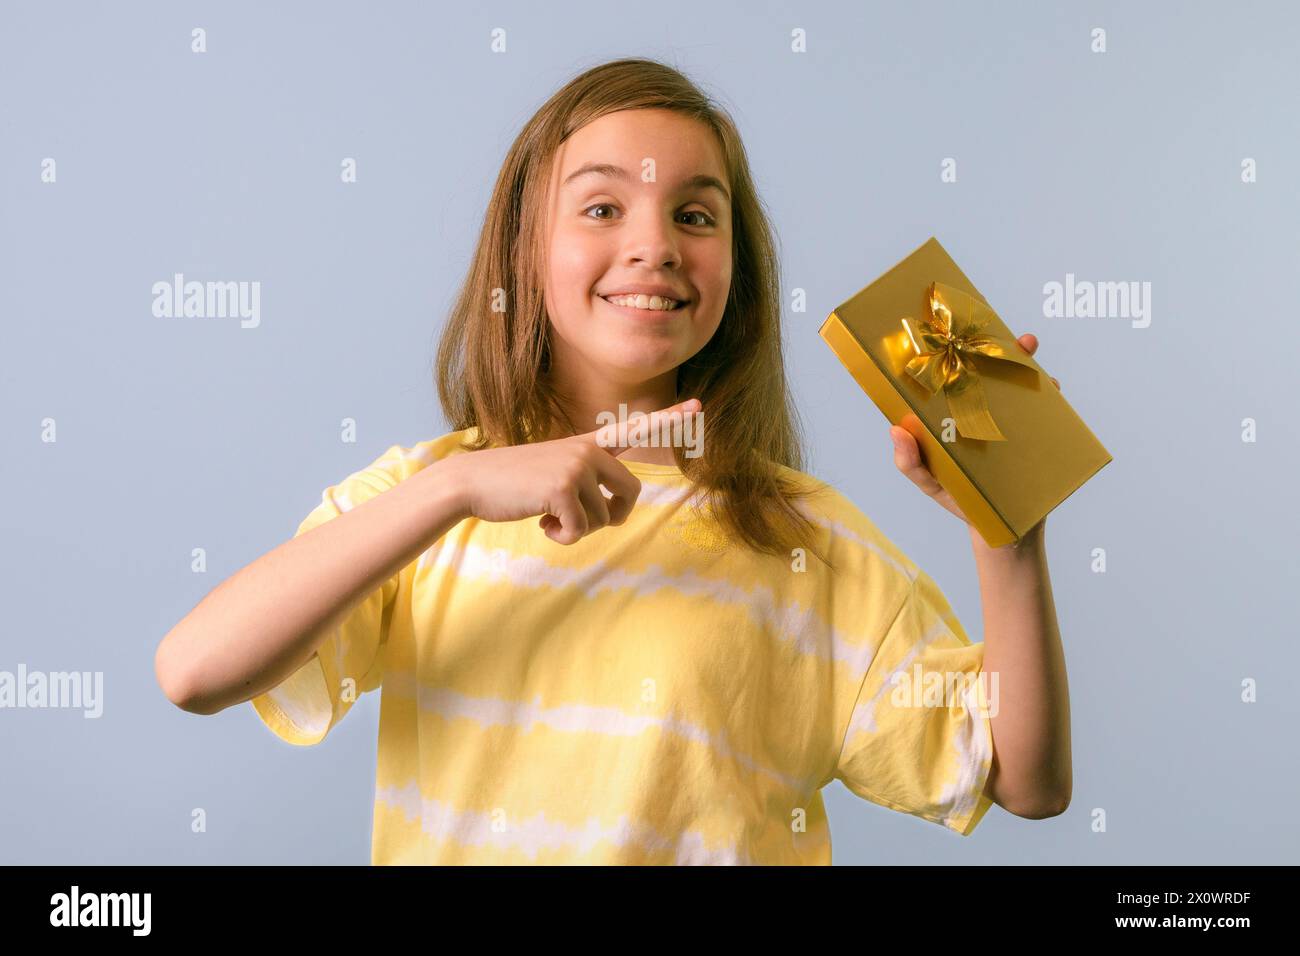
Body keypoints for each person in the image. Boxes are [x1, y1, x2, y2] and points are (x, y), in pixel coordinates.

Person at [154, 57, 1071, 865]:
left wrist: (1007, 527)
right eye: (601, 206)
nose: (656, 245)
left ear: (736, 267)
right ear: (526, 248)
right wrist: (459, 485)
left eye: (696, 215)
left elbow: (1024, 778)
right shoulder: (422, 504)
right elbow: (194, 671)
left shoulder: (806, 540)